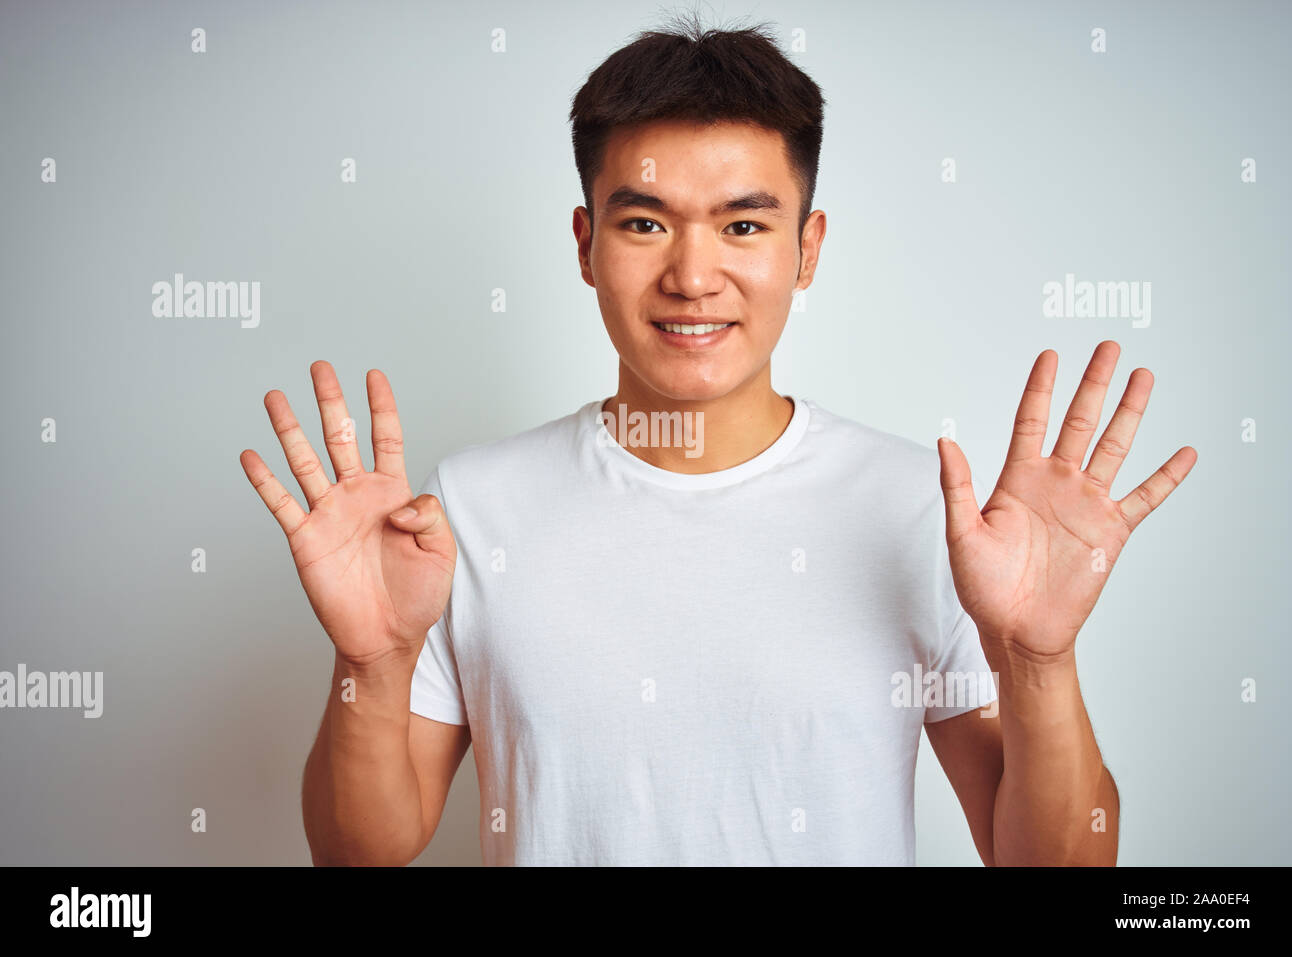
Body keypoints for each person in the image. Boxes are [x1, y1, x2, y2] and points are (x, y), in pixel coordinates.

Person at [238, 16, 1196, 866]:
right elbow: (357, 852)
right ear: (584, 244)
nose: (694, 276)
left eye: (744, 223)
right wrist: (371, 665)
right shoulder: (466, 510)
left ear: (807, 249)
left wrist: (1037, 660)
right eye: (646, 222)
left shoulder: (922, 511)